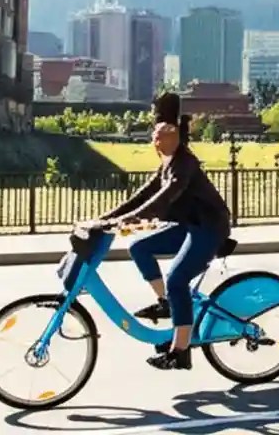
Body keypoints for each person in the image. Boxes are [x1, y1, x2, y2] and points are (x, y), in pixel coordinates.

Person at [91, 114, 232, 371]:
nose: (156, 140)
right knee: (139, 247)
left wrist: (131, 219)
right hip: (188, 226)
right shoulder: (167, 164)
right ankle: (166, 302)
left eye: (162, 136)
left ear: (175, 139)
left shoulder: (185, 164)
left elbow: (165, 198)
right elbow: (142, 195)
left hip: (208, 228)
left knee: (177, 279)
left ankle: (180, 350)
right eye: (155, 136)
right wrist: (104, 219)